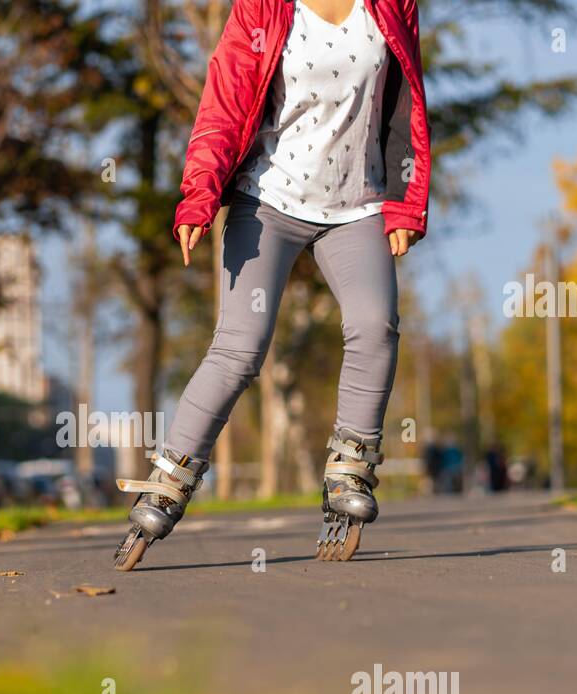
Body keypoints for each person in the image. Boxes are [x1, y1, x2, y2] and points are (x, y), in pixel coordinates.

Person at [114, 0, 430, 569]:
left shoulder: (391, 5)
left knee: (374, 324)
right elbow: (225, 101)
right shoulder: (262, 9)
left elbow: (408, 102)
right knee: (240, 346)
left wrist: (406, 206)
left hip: (357, 205)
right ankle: (170, 476)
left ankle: (349, 469)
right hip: (267, 201)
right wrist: (200, 194)